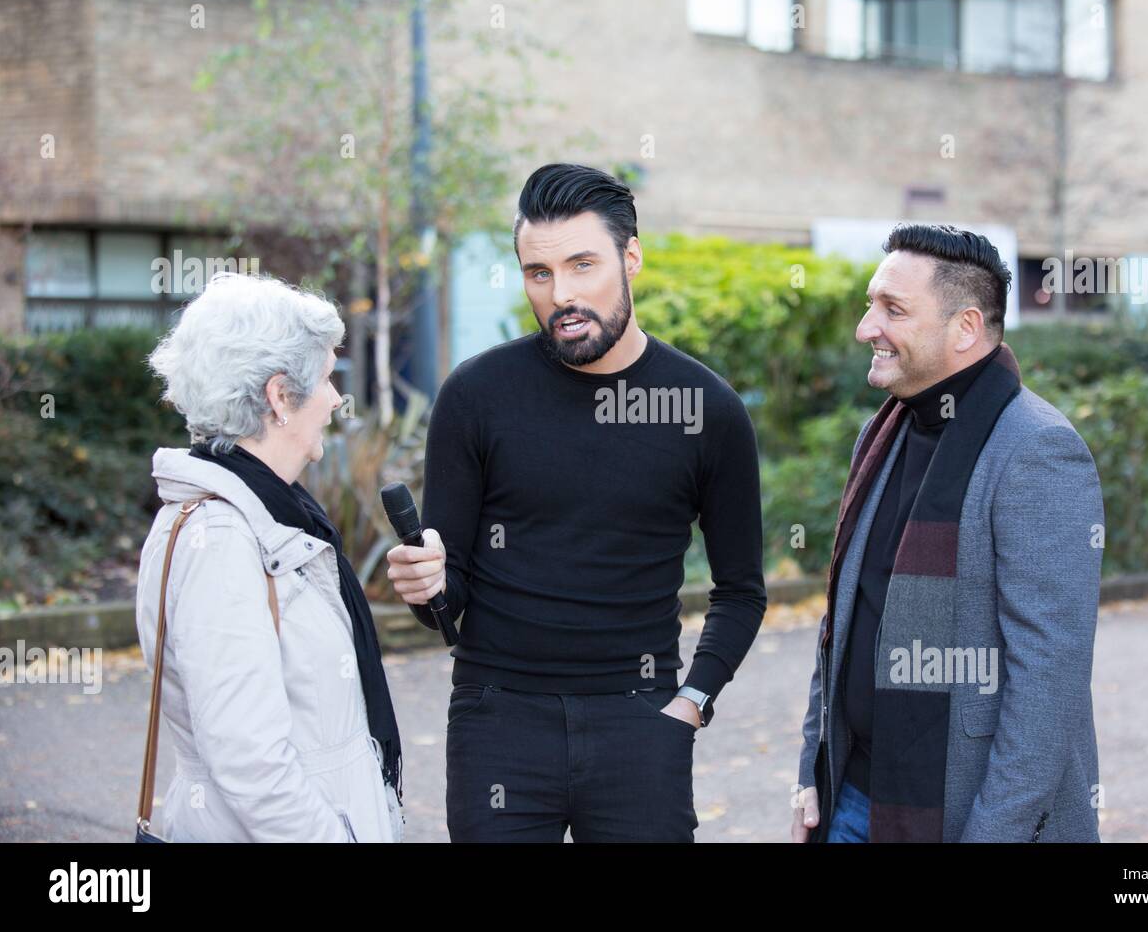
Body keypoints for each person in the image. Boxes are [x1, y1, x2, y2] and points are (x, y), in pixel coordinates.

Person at [386, 163, 767, 841]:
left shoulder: (707, 410)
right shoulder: (476, 397)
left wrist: (692, 702)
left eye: (583, 265)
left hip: (641, 722)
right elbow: (447, 601)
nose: (561, 294)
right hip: (497, 719)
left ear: (631, 257)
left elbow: (741, 590)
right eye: (539, 273)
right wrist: (427, 585)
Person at [793, 225, 1104, 843]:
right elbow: (842, 626)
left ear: (964, 328)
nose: (865, 328)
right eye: (869, 304)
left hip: (968, 816)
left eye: (892, 310)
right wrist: (812, 771)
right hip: (851, 799)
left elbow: (1048, 680)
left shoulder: (1038, 450)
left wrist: (993, 834)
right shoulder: (882, 434)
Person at [136, 272, 403, 842]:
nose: (335, 399)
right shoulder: (223, 539)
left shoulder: (266, 514)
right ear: (280, 396)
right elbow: (249, 760)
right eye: (328, 379)